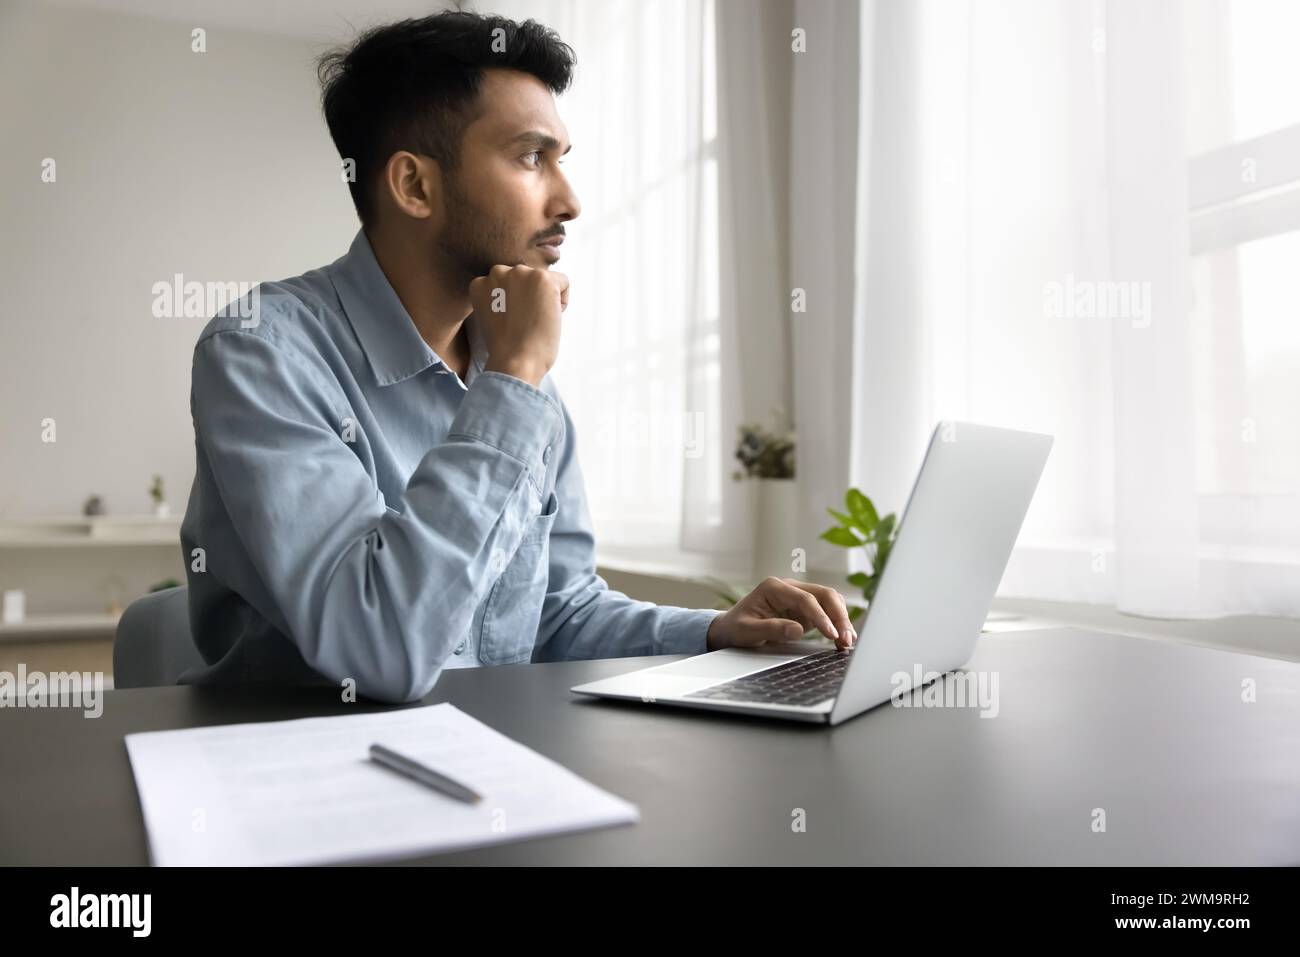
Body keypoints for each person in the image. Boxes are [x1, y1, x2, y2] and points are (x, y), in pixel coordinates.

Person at [180, 11, 853, 703]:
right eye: (532, 157)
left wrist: (714, 629)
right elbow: (373, 649)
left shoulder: (519, 383)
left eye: (562, 159)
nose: (570, 200)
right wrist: (513, 380)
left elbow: (558, 614)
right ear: (415, 186)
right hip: (294, 770)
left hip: (490, 759)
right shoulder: (262, 352)